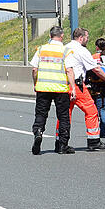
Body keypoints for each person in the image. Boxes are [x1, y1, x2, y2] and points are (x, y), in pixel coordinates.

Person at [62, 27, 105, 150]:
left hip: (63, 85)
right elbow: (96, 68)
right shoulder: (81, 50)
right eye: (87, 37)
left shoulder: (65, 48)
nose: (88, 40)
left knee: (65, 114)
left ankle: (61, 142)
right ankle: (93, 141)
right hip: (76, 85)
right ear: (81, 38)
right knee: (91, 111)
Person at [30, 26, 72, 154]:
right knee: (63, 117)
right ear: (62, 36)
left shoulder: (41, 49)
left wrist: (35, 83)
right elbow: (69, 70)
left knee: (41, 114)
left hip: (43, 88)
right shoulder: (66, 51)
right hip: (61, 89)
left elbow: (34, 69)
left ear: (50, 35)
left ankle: (38, 132)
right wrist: (73, 88)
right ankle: (62, 146)